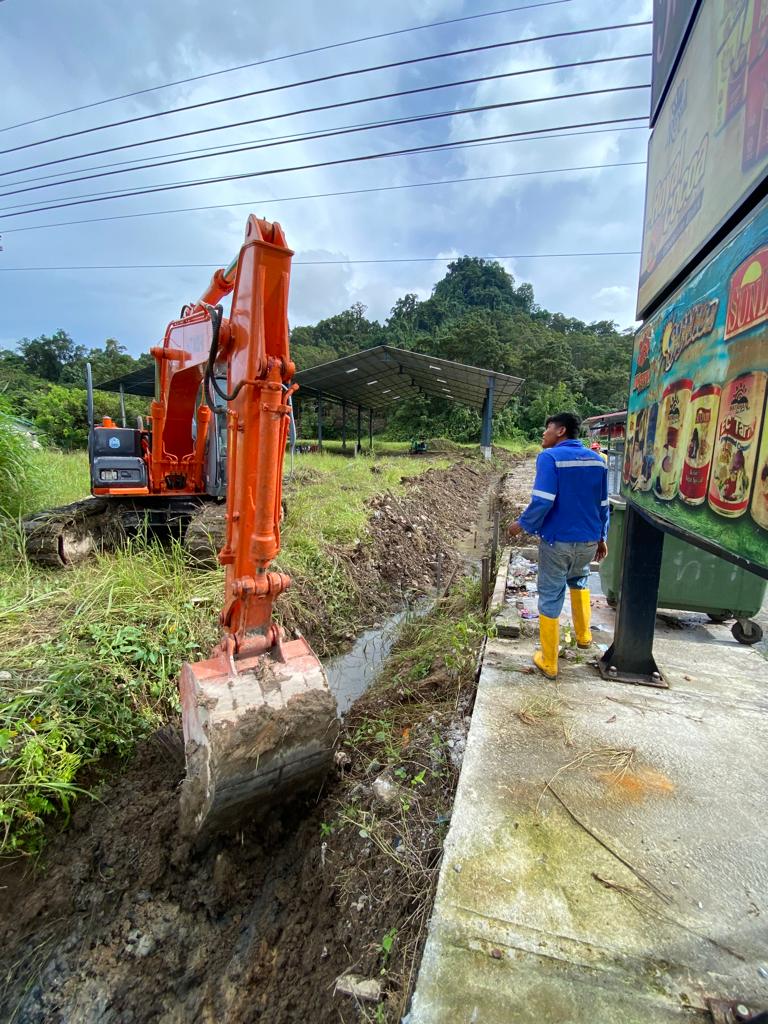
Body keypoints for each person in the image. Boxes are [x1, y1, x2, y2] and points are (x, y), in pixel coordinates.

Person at [508, 412, 609, 679]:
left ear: (561, 430)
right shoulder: (598, 461)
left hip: (558, 541)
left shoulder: (550, 458)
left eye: (547, 428)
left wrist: (522, 525)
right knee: (580, 580)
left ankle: (550, 661)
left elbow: (543, 500)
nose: (544, 433)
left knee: (551, 594)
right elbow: (603, 505)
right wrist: (602, 538)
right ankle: (584, 637)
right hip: (588, 541)